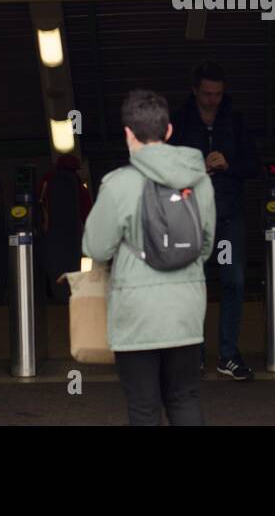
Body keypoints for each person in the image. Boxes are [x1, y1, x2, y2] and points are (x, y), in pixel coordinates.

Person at [82, 89, 216, 426]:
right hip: (186, 311)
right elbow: (206, 246)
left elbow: (96, 249)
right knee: (185, 399)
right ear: (169, 131)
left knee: (144, 408)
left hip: (135, 316)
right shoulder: (200, 181)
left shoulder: (117, 184)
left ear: (128, 133)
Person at [169, 61, 260, 381]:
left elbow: (253, 164)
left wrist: (229, 163)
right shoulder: (177, 122)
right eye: (207, 93)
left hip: (229, 215)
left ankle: (228, 355)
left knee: (234, 282)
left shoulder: (235, 121)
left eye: (218, 94)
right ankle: (194, 355)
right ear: (195, 90)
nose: (212, 100)